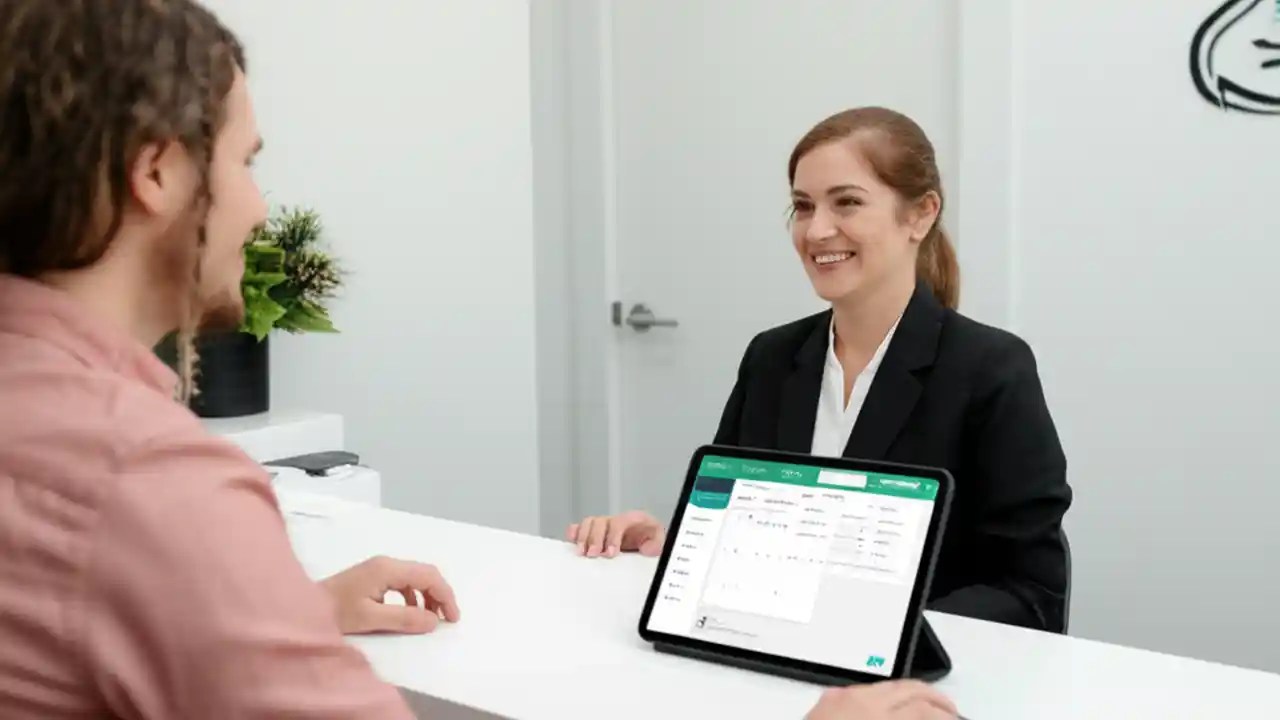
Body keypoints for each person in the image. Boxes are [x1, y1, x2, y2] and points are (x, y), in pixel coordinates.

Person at [0, 2, 955, 718]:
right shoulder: (149, 478)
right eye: (248, 162)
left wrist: (278, 608)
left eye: (845, 204)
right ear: (157, 172)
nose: (258, 209)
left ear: (919, 216)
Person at [569, 107, 1073, 634]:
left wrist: (878, 633)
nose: (817, 230)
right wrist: (667, 544)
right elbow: (748, 538)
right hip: (771, 661)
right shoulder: (771, 357)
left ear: (920, 215)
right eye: (803, 207)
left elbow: (1031, 594)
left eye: (847, 203)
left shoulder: (990, 369)